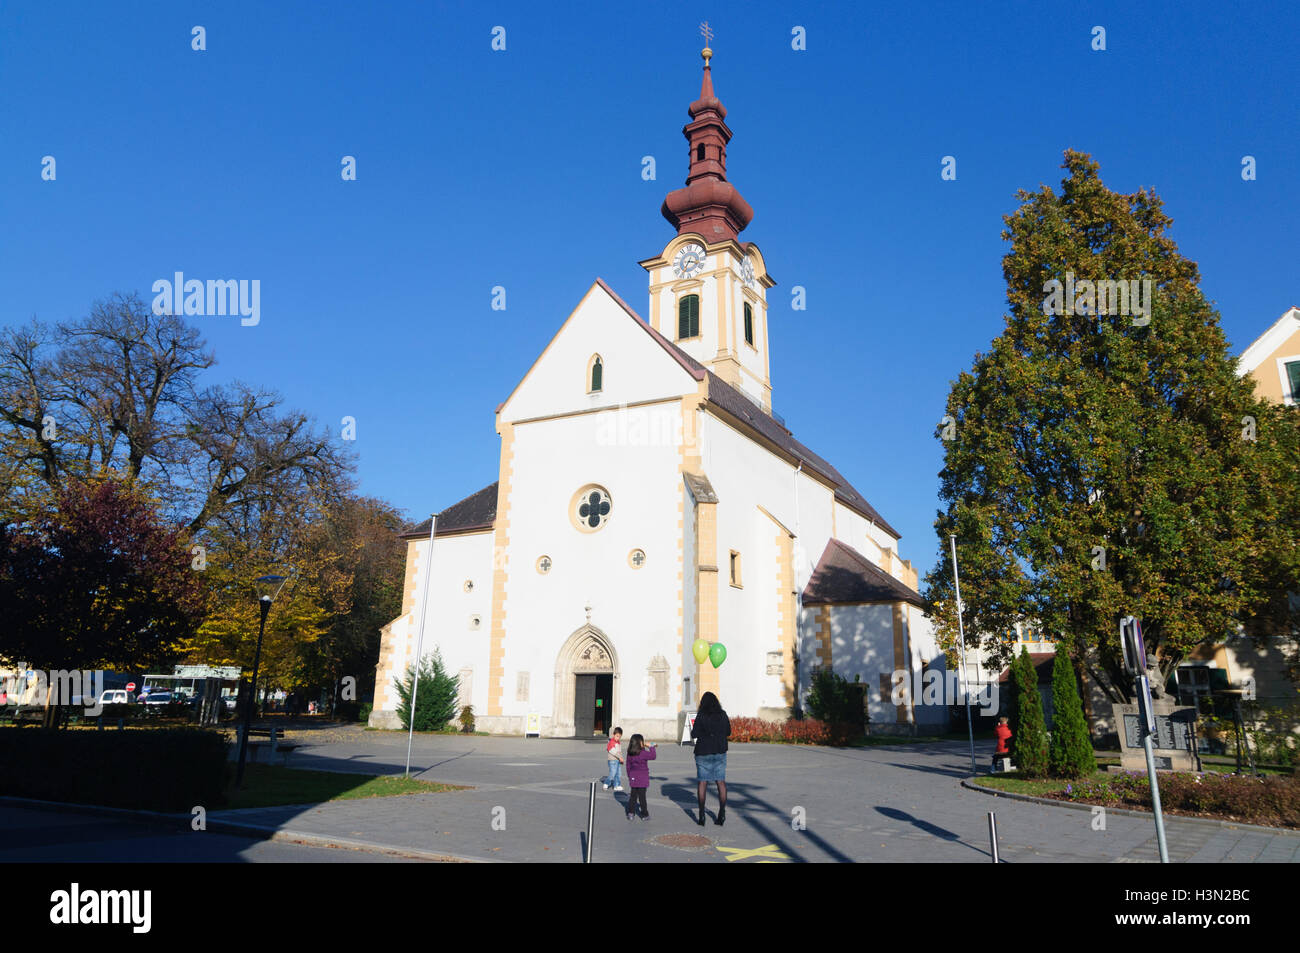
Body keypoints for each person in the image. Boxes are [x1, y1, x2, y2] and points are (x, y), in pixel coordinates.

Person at [691, 692, 731, 826]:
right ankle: (722, 813)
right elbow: (728, 732)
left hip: (703, 751)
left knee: (702, 783)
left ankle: (702, 815)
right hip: (719, 751)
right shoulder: (723, 714)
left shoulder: (701, 715)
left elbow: (694, 733)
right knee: (721, 782)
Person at [623, 733, 657, 820]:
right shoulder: (643, 753)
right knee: (642, 797)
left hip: (633, 777)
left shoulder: (630, 753)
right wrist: (651, 746)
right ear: (640, 742)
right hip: (643, 778)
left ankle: (631, 813)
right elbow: (653, 756)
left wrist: (629, 776)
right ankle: (644, 814)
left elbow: (628, 765)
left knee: (633, 797)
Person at [603, 726, 625, 792]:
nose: (618, 738)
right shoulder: (611, 742)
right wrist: (620, 757)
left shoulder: (618, 742)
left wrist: (621, 758)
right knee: (612, 773)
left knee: (618, 774)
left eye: (619, 737)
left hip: (617, 760)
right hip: (612, 761)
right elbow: (612, 751)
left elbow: (619, 752)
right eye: (617, 736)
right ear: (614, 734)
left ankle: (616, 785)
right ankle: (606, 783)